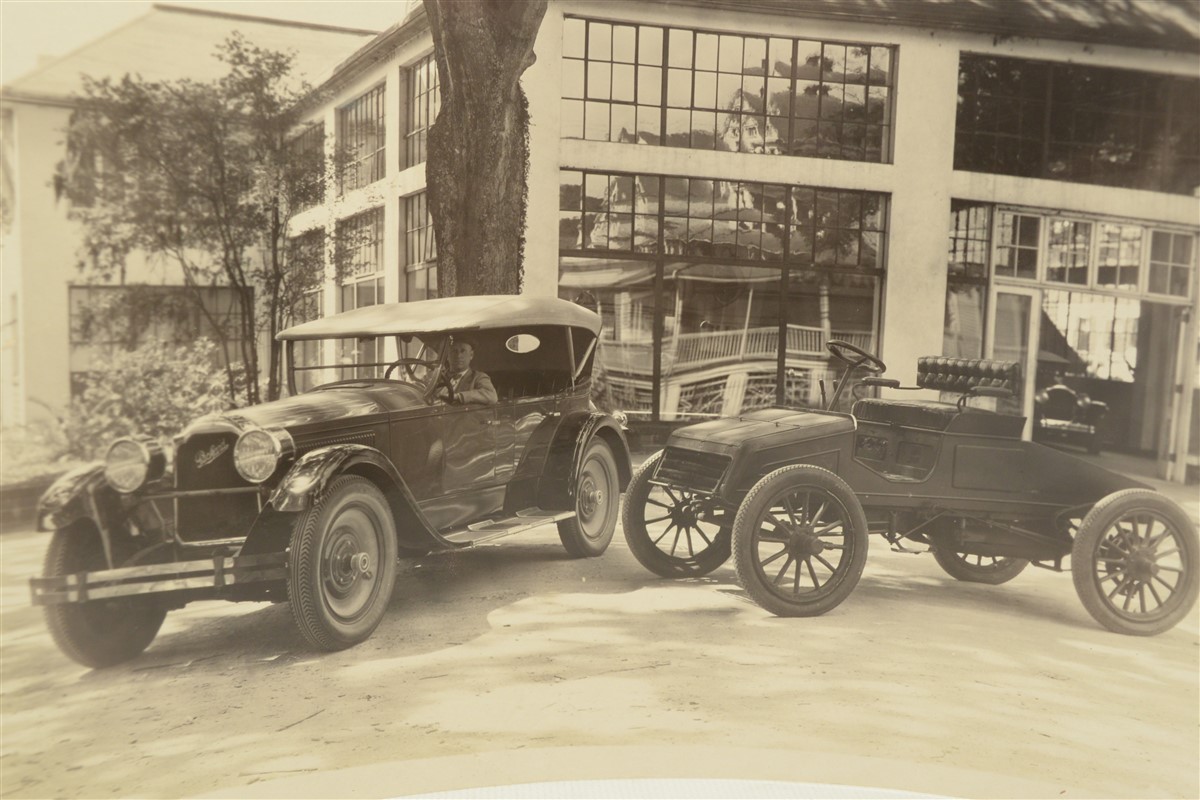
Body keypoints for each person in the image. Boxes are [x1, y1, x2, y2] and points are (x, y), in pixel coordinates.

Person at [427, 337, 497, 405]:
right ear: (447, 356)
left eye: (463, 351)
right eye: (454, 351)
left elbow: (491, 396)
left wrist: (458, 396)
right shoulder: (437, 376)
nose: (459, 356)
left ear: (471, 355)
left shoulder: (479, 377)